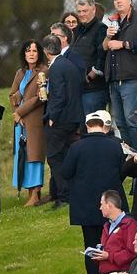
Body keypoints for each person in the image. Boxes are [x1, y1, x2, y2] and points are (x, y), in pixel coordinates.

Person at [61, 112, 127, 274]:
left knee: (91, 245)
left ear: (88, 126)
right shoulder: (115, 145)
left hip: (86, 204)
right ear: (103, 126)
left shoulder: (76, 147)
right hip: (111, 203)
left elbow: (66, 172)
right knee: (115, 243)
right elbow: (122, 170)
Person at [102, 0, 137, 148]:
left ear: (130, 1)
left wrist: (123, 44)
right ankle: (131, 157)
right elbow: (105, 47)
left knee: (132, 120)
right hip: (114, 80)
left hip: (132, 78)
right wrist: (108, 36)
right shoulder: (113, 22)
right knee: (120, 122)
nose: (118, 1)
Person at [42, 34, 83, 209]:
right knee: (66, 155)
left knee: (53, 156)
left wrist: (52, 117)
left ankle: (64, 196)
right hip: (73, 117)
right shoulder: (68, 65)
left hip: (61, 120)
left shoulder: (57, 67)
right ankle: (71, 193)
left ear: (45, 51)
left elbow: (59, 96)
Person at [9, 39, 48, 206]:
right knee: (23, 155)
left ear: (39, 54)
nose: (31, 54)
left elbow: (41, 97)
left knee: (34, 156)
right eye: (28, 50)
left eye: (34, 51)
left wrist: (20, 111)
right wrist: (18, 104)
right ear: (24, 54)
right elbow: (12, 95)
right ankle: (28, 192)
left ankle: (36, 193)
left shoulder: (44, 71)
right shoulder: (20, 72)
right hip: (20, 121)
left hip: (35, 120)